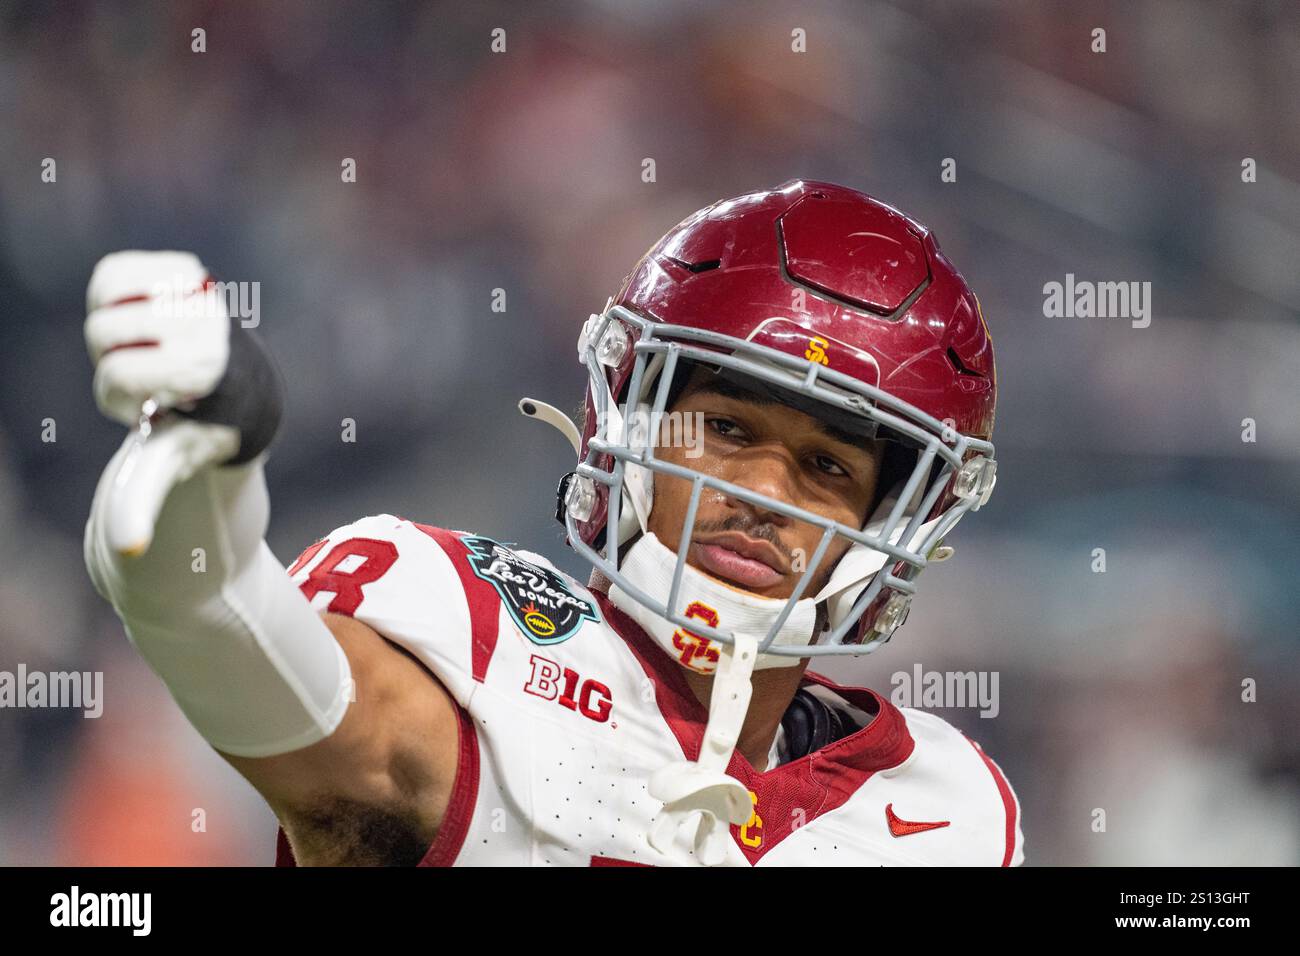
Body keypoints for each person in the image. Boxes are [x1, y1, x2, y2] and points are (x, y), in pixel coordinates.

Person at [83, 179, 1023, 866]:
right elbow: (249, 649)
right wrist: (195, 497)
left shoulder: (952, 814)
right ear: (627, 422)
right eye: (728, 429)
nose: (764, 494)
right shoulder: (479, 643)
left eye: (827, 467)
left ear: (892, 523)